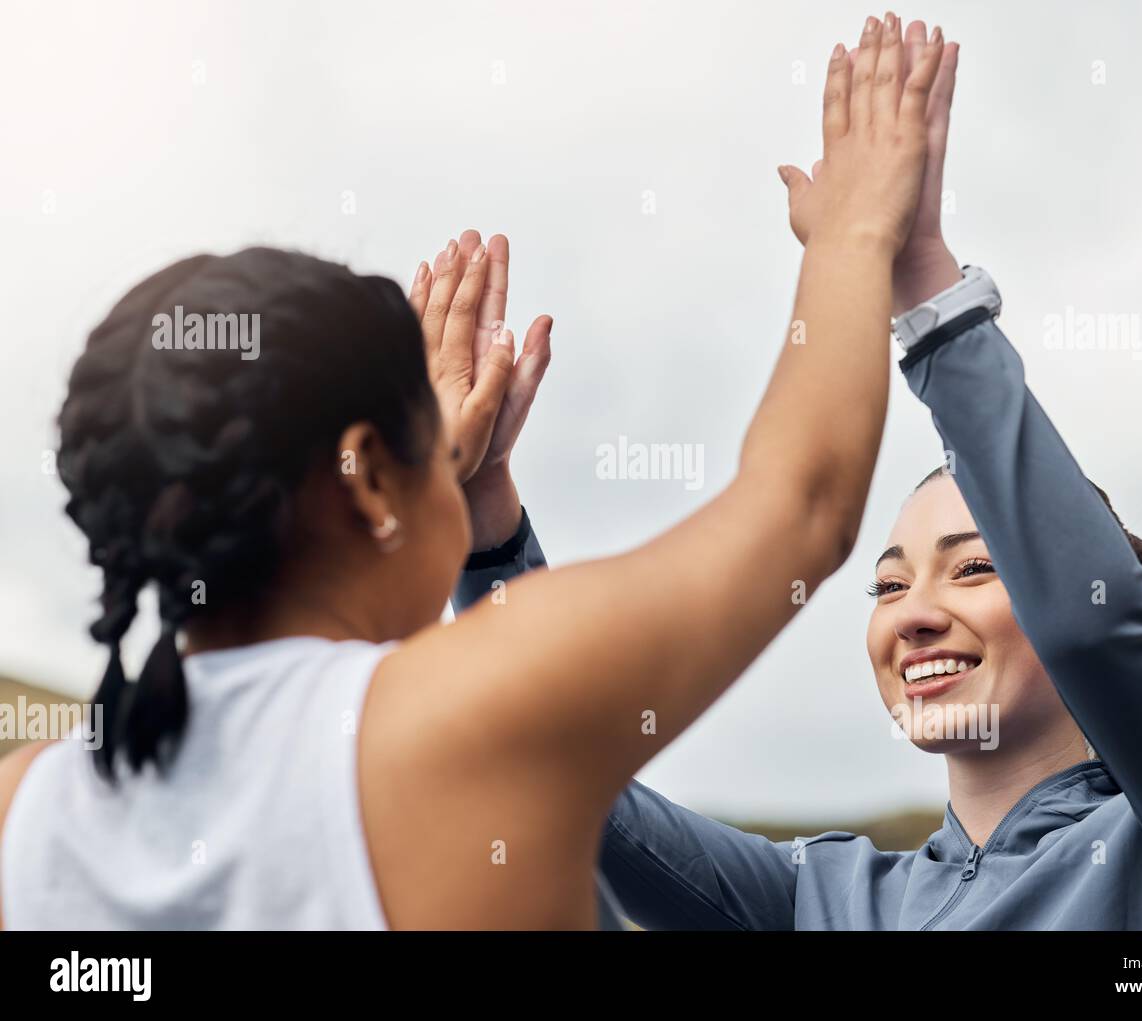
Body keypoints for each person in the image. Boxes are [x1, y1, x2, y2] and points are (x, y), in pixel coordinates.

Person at [0, 13, 946, 929]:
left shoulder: (25, 808)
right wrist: (854, 230)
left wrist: (403, 497)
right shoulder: (473, 716)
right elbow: (802, 505)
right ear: (366, 478)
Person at [470, 19, 1142, 930]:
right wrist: (485, 527)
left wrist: (921, 287)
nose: (910, 613)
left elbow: (1094, 631)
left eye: (975, 566)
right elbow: (563, 784)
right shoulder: (818, 899)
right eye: (889, 582)